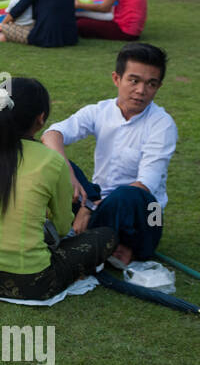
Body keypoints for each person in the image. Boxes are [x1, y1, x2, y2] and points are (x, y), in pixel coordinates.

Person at [0, 78, 118, 301]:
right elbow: (63, 227)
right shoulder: (53, 162)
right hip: (32, 282)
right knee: (106, 236)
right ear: (41, 118)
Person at [42, 43, 176, 265]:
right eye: (134, 81)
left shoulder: (162, 124)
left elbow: (145, 185)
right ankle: (99, 241)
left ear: (159, 86)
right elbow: (51, 134)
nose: (141, 91)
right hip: (99, 203)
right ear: (117, 79)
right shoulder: (100, 111)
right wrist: (68, 172)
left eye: (151, 84)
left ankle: (90, 239)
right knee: (53, 162)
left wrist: (88, 208)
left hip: (145, 217)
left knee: (128, 196)